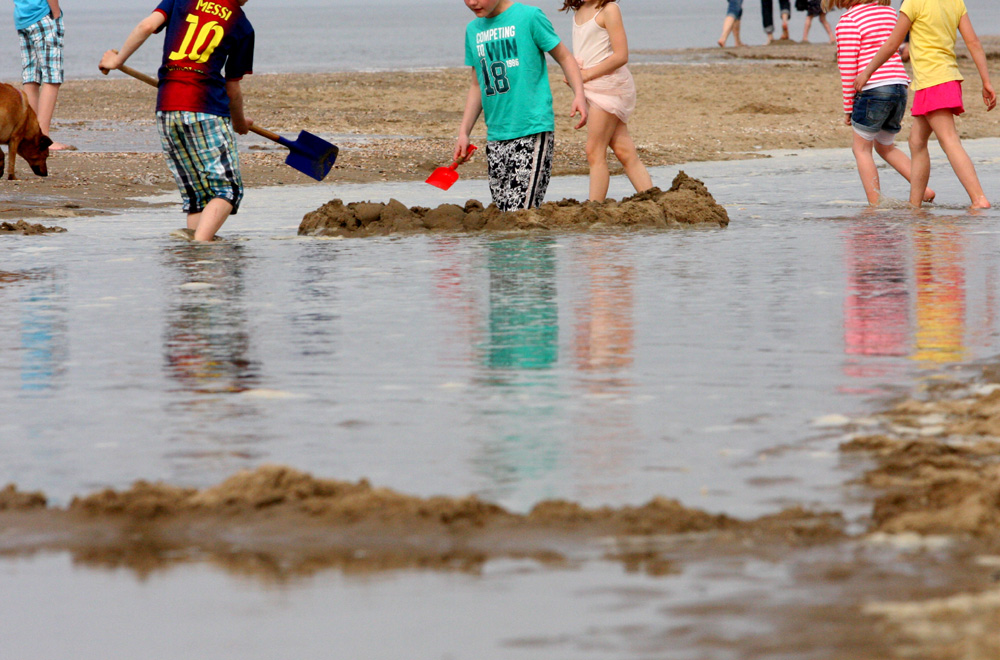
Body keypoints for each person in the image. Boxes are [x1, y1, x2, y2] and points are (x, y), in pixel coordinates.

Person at [99, 0, 254, 241]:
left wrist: (117, 61)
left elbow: (146, 26)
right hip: (206, 109)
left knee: (196, 195)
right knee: (227, 190)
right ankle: (202, 246)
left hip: (167, 109)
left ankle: (193, 262)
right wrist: (240, 122)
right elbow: (232, 89)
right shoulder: (242, 25)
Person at [856, 0, 996, 208]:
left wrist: (867, 72)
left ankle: (979, 198)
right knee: (916, 142)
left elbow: (892, 44)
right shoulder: (955, 2)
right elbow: (973, 42)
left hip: (933, 82)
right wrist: (986, 81)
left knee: (949, 139)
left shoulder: (913, 3)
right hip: (946, 79)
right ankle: (915, 206)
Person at [455, 0, 587, 212]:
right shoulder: (473, 30)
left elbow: (564, 57)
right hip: (496, 135)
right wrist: (464, 133)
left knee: (520, 214)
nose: (472, 2)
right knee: (503, 214)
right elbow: (477, 85)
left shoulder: (529, 17)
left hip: (531, 128)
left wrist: (579, 94)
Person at [829, 0, 934, 205]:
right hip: (899, 86)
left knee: (861, 149)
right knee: (885, 145)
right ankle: (924, 190)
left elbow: (848, 68)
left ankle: (874, 204)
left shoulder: (848, 21)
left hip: (873, 89)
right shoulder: (888, 13)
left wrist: (848, 107)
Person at [561, 0, 652, 201]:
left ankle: (595, 208)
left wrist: (585, 75)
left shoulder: (609, 10)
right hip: (591, 87)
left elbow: (621, 56)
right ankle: (653, 199)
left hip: (608, 87)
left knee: (594, 151)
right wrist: (576, 76)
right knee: (624, 151)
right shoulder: (579, 10)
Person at [13, 0, 71, 150]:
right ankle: (42, 137)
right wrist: (56, 13)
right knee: (52, 77)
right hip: (42, 15)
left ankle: (30, 135)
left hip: (22, 17)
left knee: (31, 76)